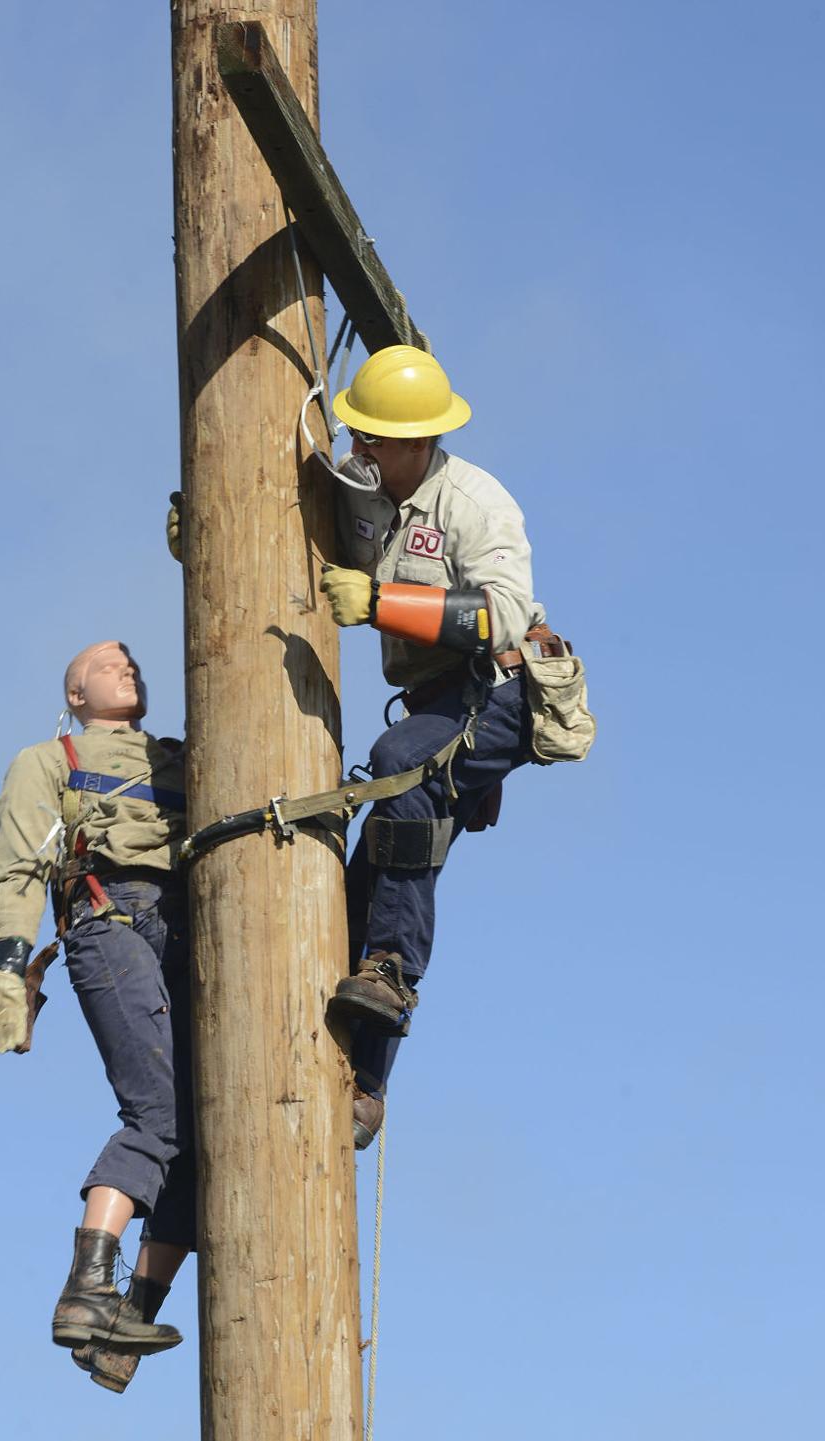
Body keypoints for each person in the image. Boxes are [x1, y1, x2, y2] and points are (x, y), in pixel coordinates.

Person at [318, 344, 559, 1142]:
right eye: (359, 434)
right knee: (364, 880)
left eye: (377, 438)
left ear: (420, 439)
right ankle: (366, 1085)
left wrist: (380, 602)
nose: (362, 447)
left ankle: (392, 968)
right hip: (434, 703)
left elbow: (502, 614)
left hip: (499, 688)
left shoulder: (475, 501)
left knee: (400, 767)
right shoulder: (364, 492)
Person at [0, 641, 193, 1394]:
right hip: (110, 917)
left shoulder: (187, 757)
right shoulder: (49, 759)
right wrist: (9, 966)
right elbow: (21, 863)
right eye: (106, 665)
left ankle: (127, 1318)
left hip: (192, 927)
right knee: (157, 1114)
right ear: (74, 694)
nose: (128, 667)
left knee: (202, 1140)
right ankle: (86, 1291)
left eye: (131, 663)